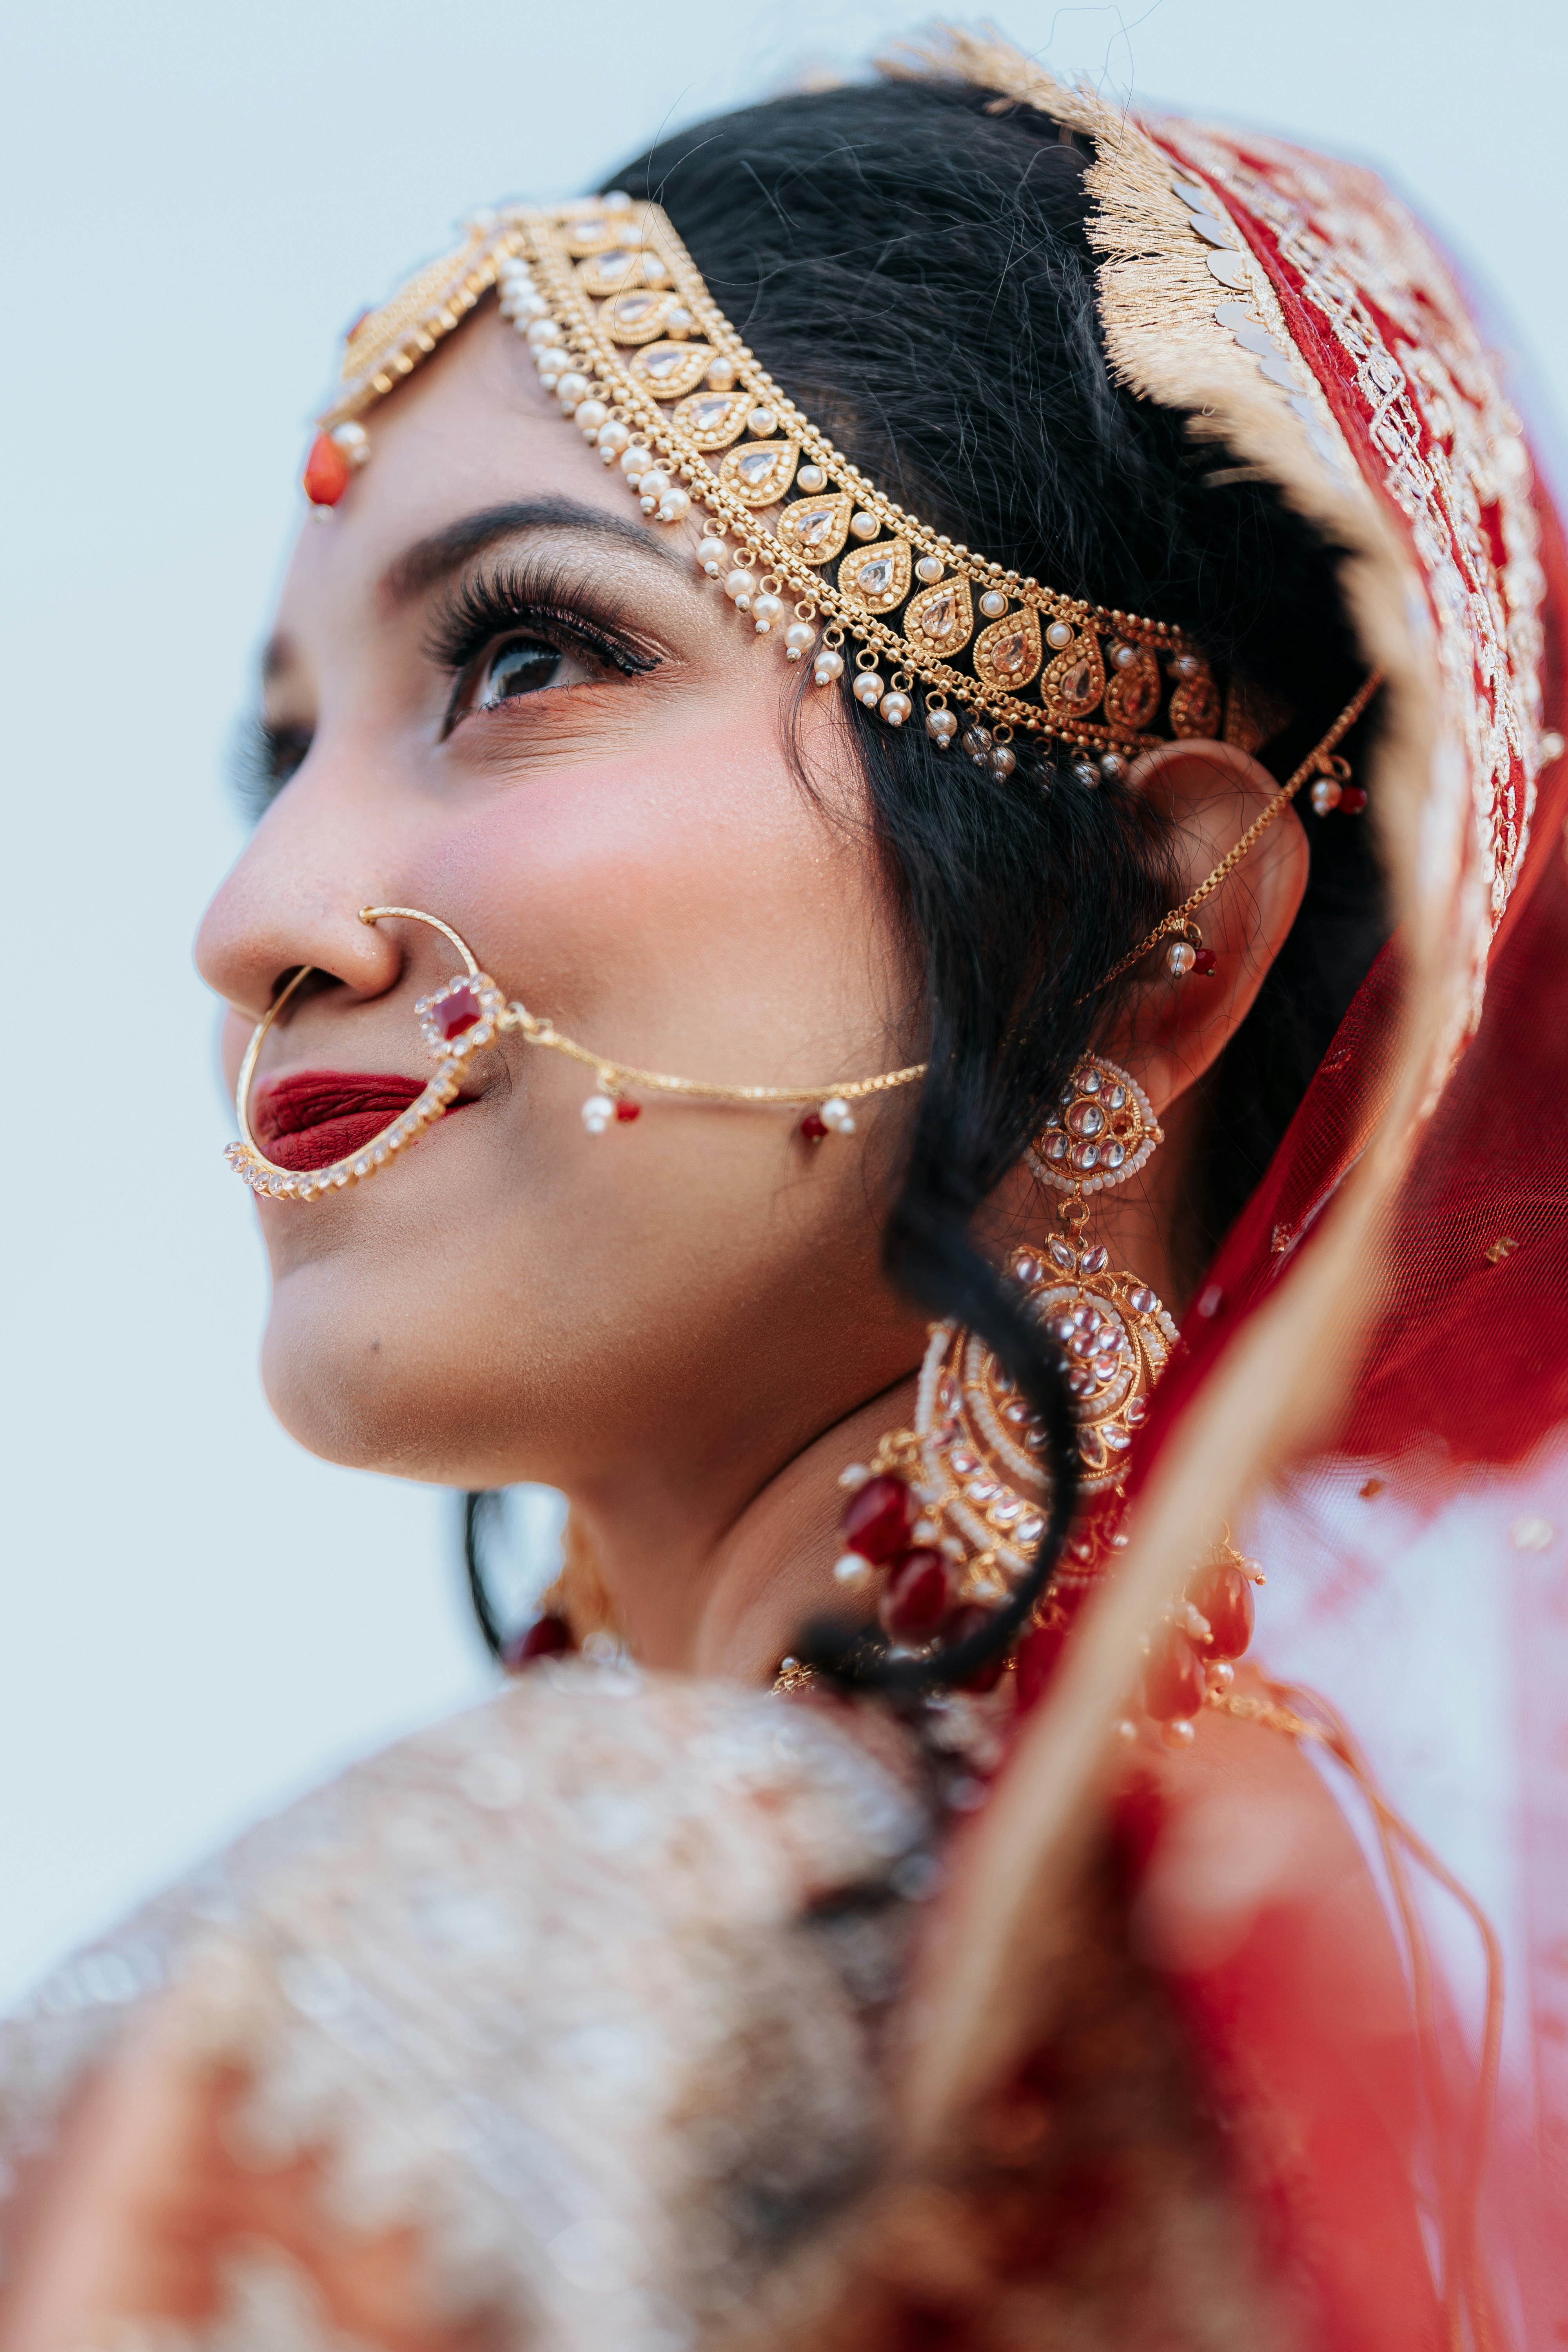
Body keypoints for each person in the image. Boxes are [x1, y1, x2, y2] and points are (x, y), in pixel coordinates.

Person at [2, 31, 1563, 2350]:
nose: (260, 911)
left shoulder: (580, 1937)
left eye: (527, 653)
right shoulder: (1386, 2030)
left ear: (1156, 935)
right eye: (281, 746)